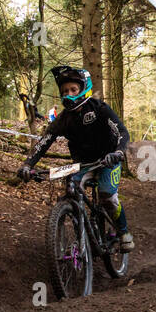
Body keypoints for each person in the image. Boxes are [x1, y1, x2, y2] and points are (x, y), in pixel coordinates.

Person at [18, 65, 134, 251]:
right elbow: (44, 142)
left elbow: (122, 131)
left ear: (83, 89)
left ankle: (123, 232)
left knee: (107, 196)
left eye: (73, 89)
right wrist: (27, 164)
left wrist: (118, 152)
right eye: (64, 91)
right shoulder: (63, 119)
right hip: (81, 164)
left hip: (108, 160)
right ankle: (81, 232)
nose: (68, 94)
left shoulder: (99, 109)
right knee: (70, 188)